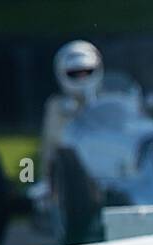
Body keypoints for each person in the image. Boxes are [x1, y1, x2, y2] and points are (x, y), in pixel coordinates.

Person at [40, 41, 102, 177]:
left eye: (86, 72)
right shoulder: (56, 105)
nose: (82, 77)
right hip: (69, 173)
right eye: (76, 73)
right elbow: (56, 142)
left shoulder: (106, 100)